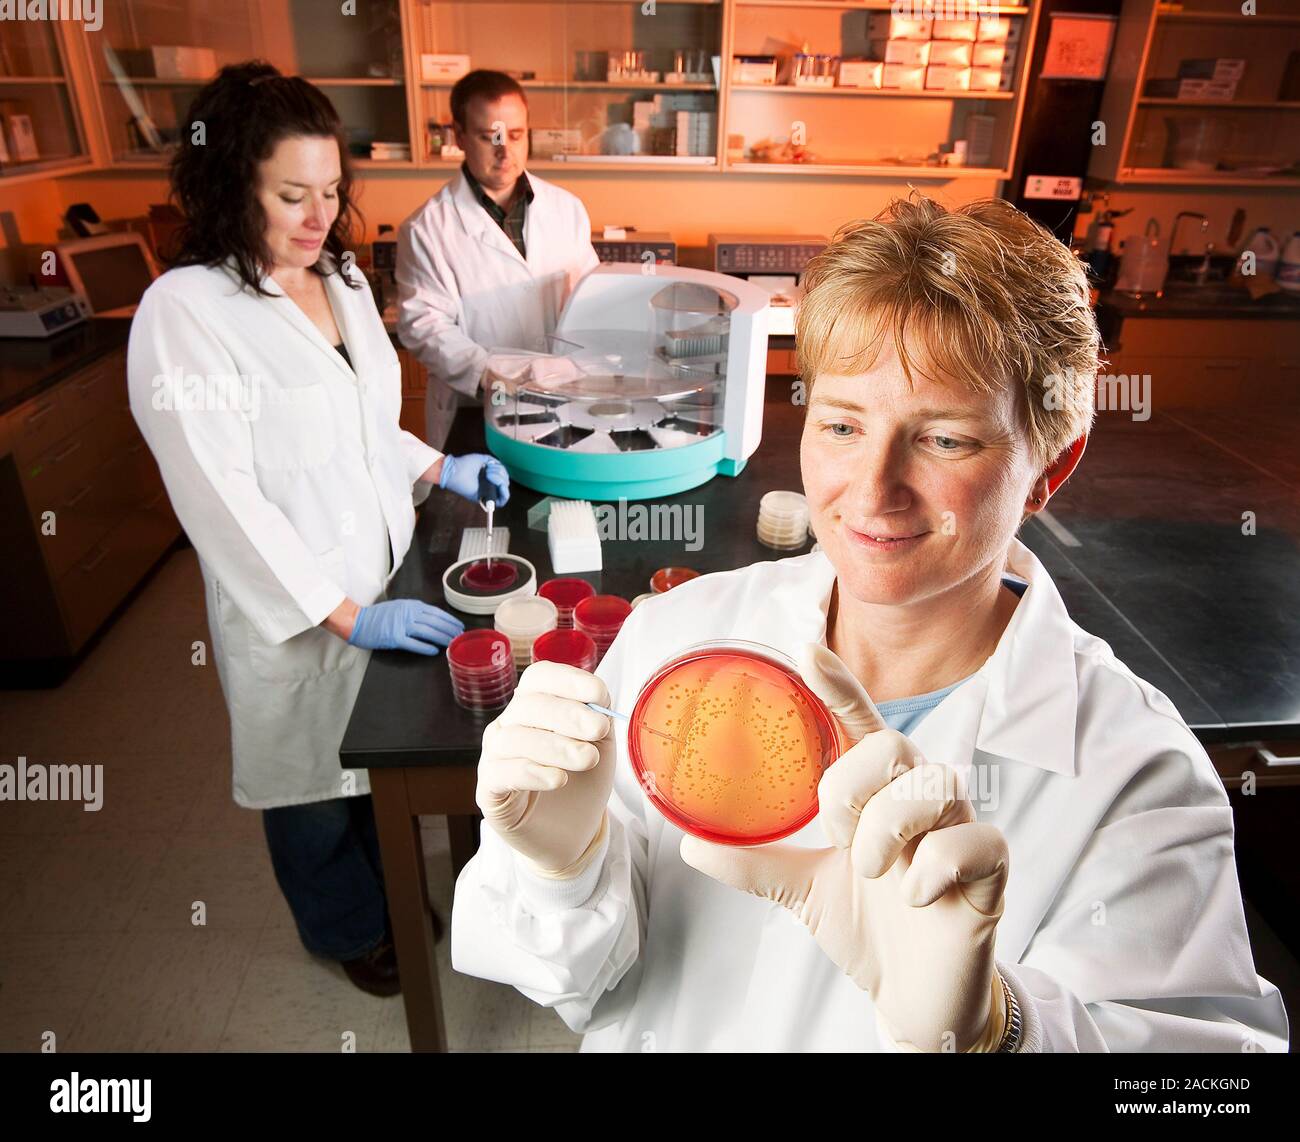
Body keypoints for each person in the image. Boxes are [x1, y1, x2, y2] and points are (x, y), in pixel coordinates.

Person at [449, 195, 1290, 1052]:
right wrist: (562, 872)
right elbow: (572, 981)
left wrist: (1000, 1030)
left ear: (1049, 468)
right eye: (843, 424)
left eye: (945, 440)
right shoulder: (677, 638)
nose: (873, 488)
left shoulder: (1135, 772)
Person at [127, 62, 509, 998]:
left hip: (381, 570)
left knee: (374, 767)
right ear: (230, 187)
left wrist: (437, 466)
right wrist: (341, 614)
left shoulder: (334, 277)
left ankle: (385, 895)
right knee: (307, 792)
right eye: (291, 195)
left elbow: (358, 420)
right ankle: (346, 930)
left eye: (331, 191)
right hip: (297, 605)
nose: (318, 216)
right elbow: (220, 498)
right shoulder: (184, 314)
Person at [396, 69, 599, 449]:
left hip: (562, 402)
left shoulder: (566, 209)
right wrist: (496, 376)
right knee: (481, 507)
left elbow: (589, 300)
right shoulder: (426, 229)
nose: (506, 151)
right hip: (476, 410)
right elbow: (424, 327)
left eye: (517, 135)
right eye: (491, 137)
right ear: (459, 136)